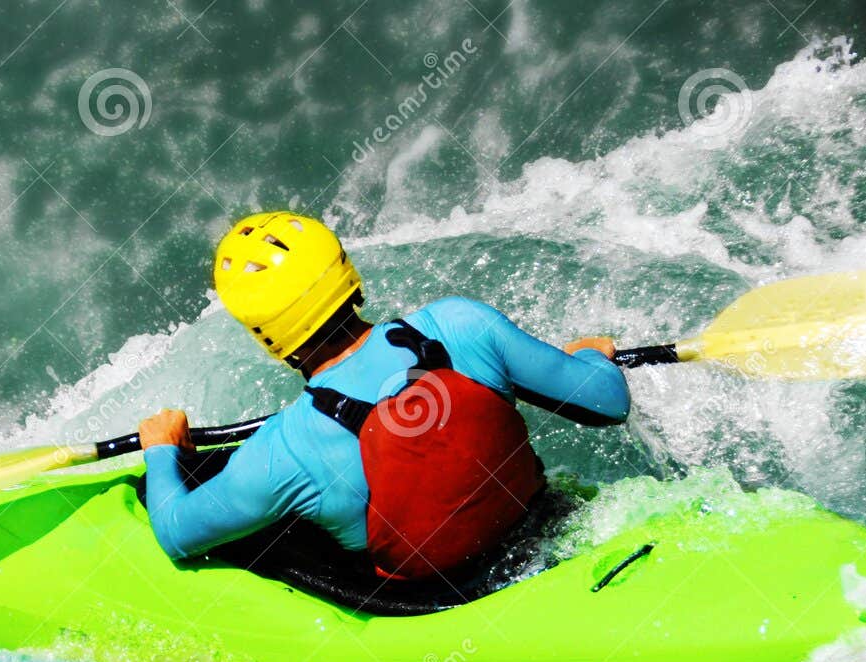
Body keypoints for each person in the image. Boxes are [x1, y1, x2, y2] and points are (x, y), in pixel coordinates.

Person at [138, 211, 630, 582]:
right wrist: (592, 357)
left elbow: (176, 533)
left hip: (454, 597)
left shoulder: (284, 450)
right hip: (548, 529)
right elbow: (607, 403)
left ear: (266, 335)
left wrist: (162, 450)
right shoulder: (461, 324)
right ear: (346, 273)